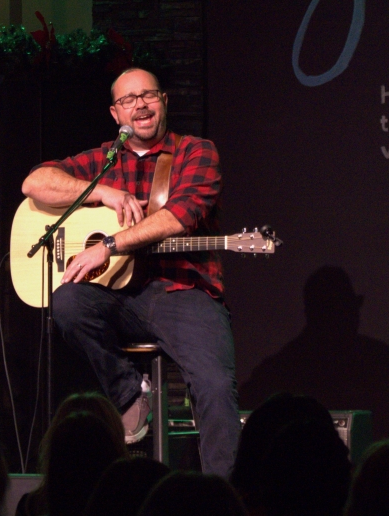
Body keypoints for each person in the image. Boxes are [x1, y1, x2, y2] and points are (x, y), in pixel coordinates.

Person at [21, 67, 240, 477]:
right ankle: (128, 394)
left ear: (164, 102)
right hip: (120, 298)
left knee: (213, 385)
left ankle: (222, 496)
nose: (140, 105)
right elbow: (35, 182)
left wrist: (110, 245)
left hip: (183, 290)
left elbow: (181, 215)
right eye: (128, 100)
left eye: (148, 96)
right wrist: (101, 190)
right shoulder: (105, 160)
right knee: (66, 299)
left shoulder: (196, 151)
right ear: (115, 113)